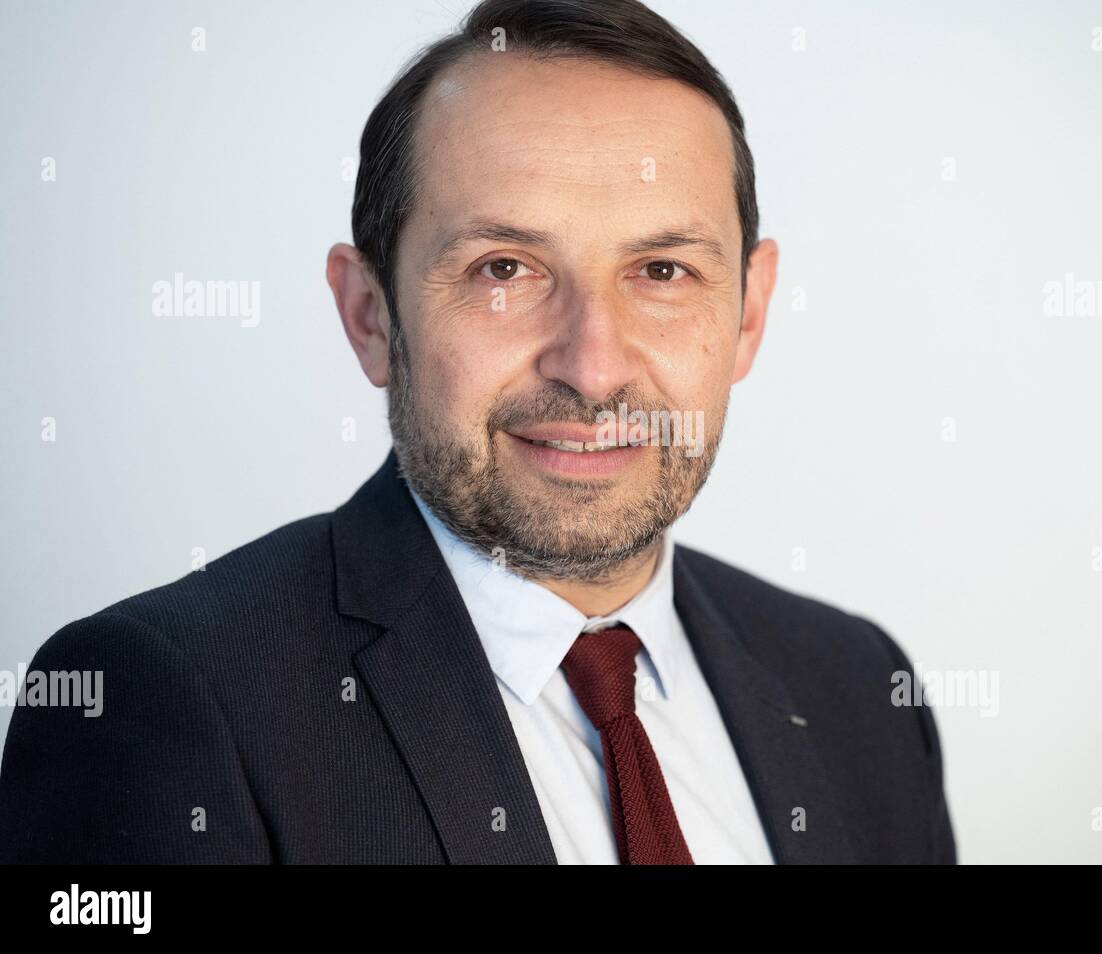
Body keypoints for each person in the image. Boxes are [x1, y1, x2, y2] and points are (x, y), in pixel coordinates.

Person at [0, 0, 956, 864]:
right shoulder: (161, 704)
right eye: (504, 269)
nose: (593, 366)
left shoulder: (857, 689)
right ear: (371, 315)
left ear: (747, 316)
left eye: (662, 271)